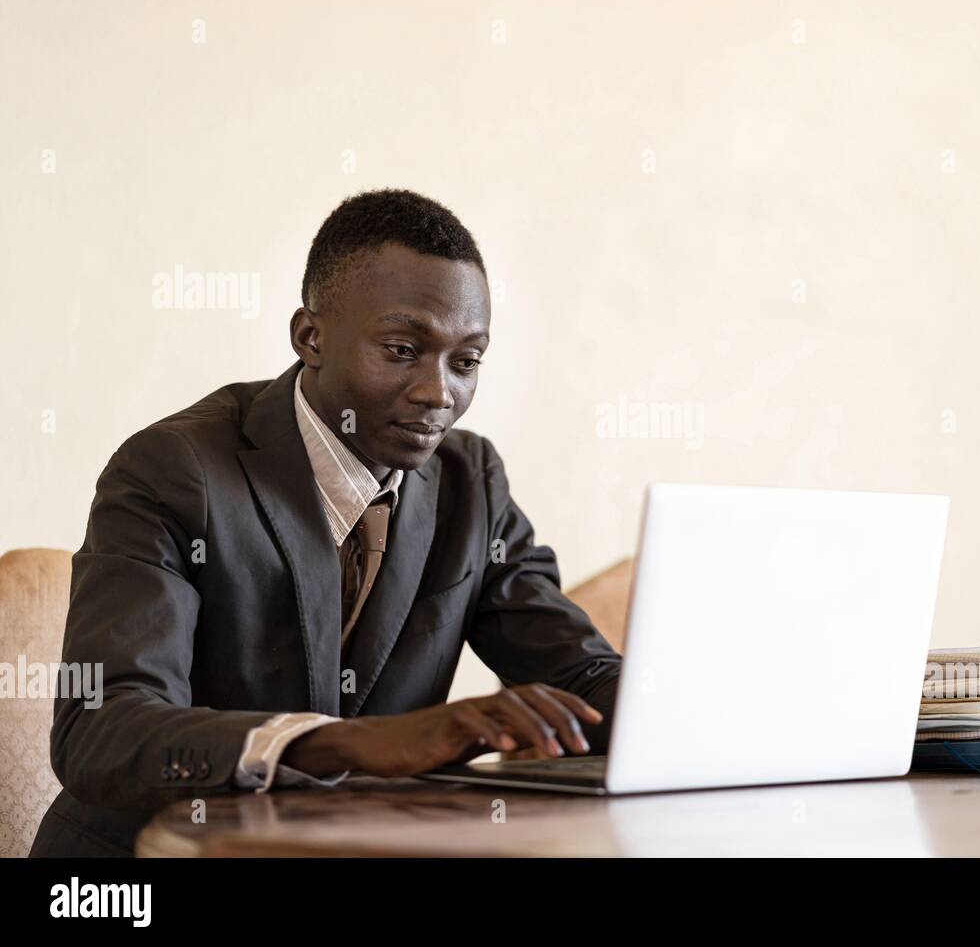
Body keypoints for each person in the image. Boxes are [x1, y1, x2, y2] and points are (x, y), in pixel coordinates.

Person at [30, 189, 621, 857]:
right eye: (402, 349)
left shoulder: (470, 480)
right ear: (311, 337)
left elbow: (579, 676)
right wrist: (355, 744)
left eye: (467, 361)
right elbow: (101, 728)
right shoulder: (176, 470)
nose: (439, 393)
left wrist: (691, 713)